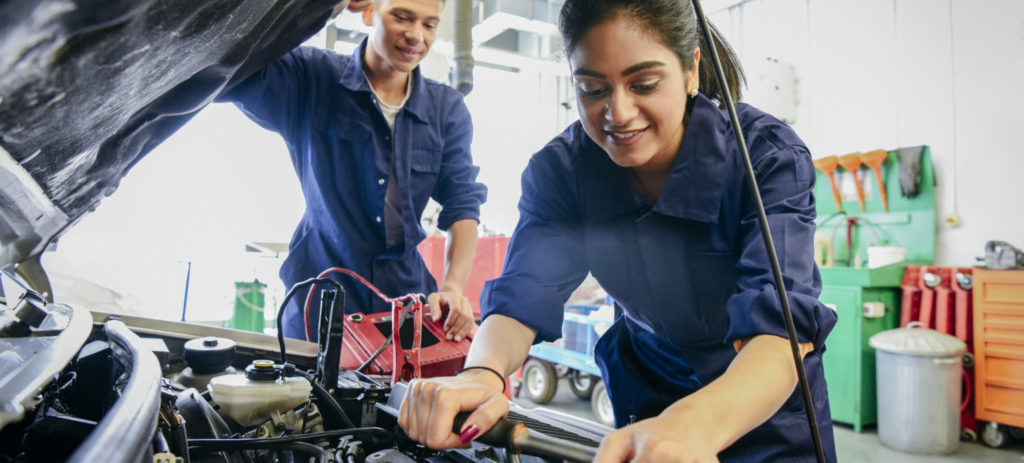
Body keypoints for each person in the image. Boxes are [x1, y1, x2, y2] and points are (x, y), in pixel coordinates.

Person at [397, 0, 838, 461]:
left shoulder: (765, 157)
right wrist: (482, 374)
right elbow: (524, 294)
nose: (619, 113)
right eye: (593, 89)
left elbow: (781, 332)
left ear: (691, 70)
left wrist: (692, 426)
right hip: (649, 391)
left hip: (763, 402)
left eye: (643, 84)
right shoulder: (563, 172)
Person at [221, 0, 487, 343]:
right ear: (368, 11)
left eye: (429, 25)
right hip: (318, 302)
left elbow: (462, 202)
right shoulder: (311, 78)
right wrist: (326, 6)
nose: (416, 36)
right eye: (402, 17)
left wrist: (452, 287)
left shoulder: (446, 110)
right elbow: (233, 61)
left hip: (404, 306)